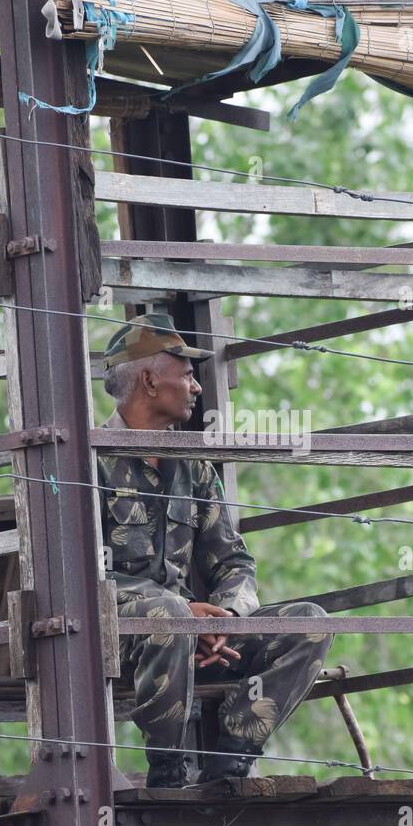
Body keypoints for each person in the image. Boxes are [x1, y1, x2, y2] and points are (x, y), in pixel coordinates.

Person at [98, 310, 332, 788]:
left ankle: (231, 762)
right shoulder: (88, 458)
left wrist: (226, 617)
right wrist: (185, 613)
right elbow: (81, 574)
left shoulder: (193, 464)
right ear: (148, 380)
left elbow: (232, 560)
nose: (196, 386)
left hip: (194, 630)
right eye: (186, 375)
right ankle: (168, 772)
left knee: (309, 622)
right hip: (114, 636)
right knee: (167, 613)